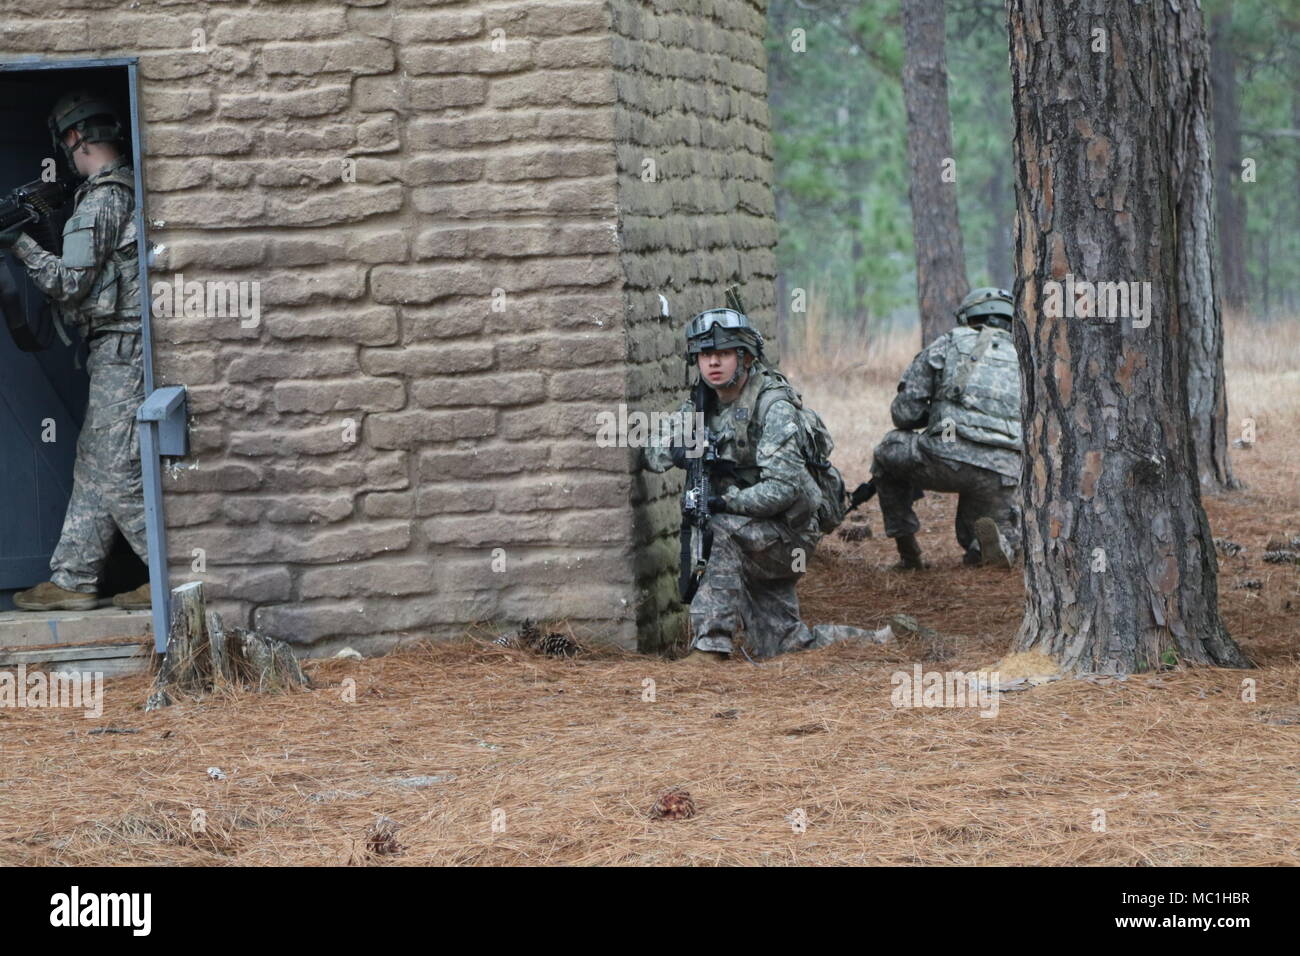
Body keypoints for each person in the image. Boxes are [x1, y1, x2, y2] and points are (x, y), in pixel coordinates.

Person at [643, 305, 874, 664]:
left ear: (746, 357)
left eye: (723, 354)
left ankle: (710, 647)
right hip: (758, 531)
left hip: (790, 532)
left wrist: (727, 503)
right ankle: (881, 640)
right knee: (783, 645)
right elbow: (652, 454)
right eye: (705, 355)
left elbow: (783, 489)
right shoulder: (701, 403)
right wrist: (678, 450)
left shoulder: (773, 406)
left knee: (716, 530)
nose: (713, 363)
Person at [0, 89, 150, 611]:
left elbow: (68, 284)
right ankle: (74, 578)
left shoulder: (104, 197)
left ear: (73, 138)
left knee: (115, 470)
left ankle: (166, 572)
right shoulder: (117, 190)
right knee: (94, 463)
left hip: (122, 351)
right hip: (114, 350)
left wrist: (18, 243)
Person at [869, 287, 1022, 571]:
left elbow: (903, 413)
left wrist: (940, 412)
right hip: (1003, 472)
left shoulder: (949, 342)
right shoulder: (1027, 355)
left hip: (945, 459)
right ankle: (996, 545)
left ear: (967, 317)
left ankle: (909, 554)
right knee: (992, 528)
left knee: (888, 449)